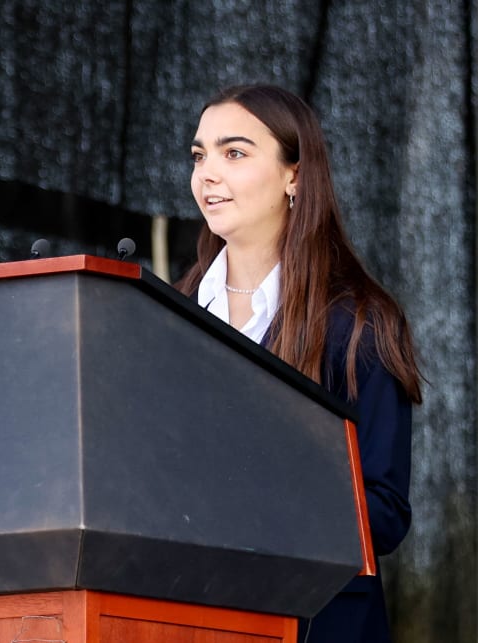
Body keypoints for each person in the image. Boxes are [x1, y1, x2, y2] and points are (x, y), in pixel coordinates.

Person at [174, 85, 422, 643]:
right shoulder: (171, 311)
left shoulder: (360, 324)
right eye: (199, 155)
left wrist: (258, 496)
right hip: (190, 617)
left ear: (295, 176)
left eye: (233, 153)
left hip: (316, 624)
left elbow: (384, 512)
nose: (207, 173)